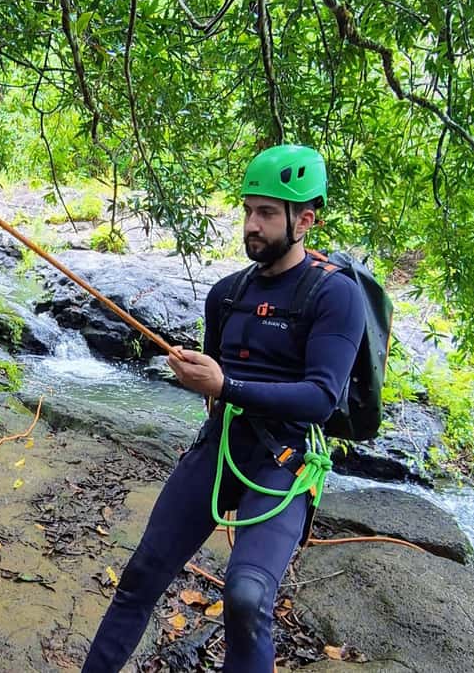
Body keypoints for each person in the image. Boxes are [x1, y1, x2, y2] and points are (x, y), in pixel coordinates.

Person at [82, 144, 365, 673]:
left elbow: (322, 398)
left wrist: (226, 383)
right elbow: (216, 389)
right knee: (141, 573)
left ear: (304, 220)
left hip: (284, 460)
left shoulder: (333, 297)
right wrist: (203, 379)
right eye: (247, 210)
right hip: (220, 447)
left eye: (266, 213)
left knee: (247, 597)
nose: (251, 225)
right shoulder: (227, 294)